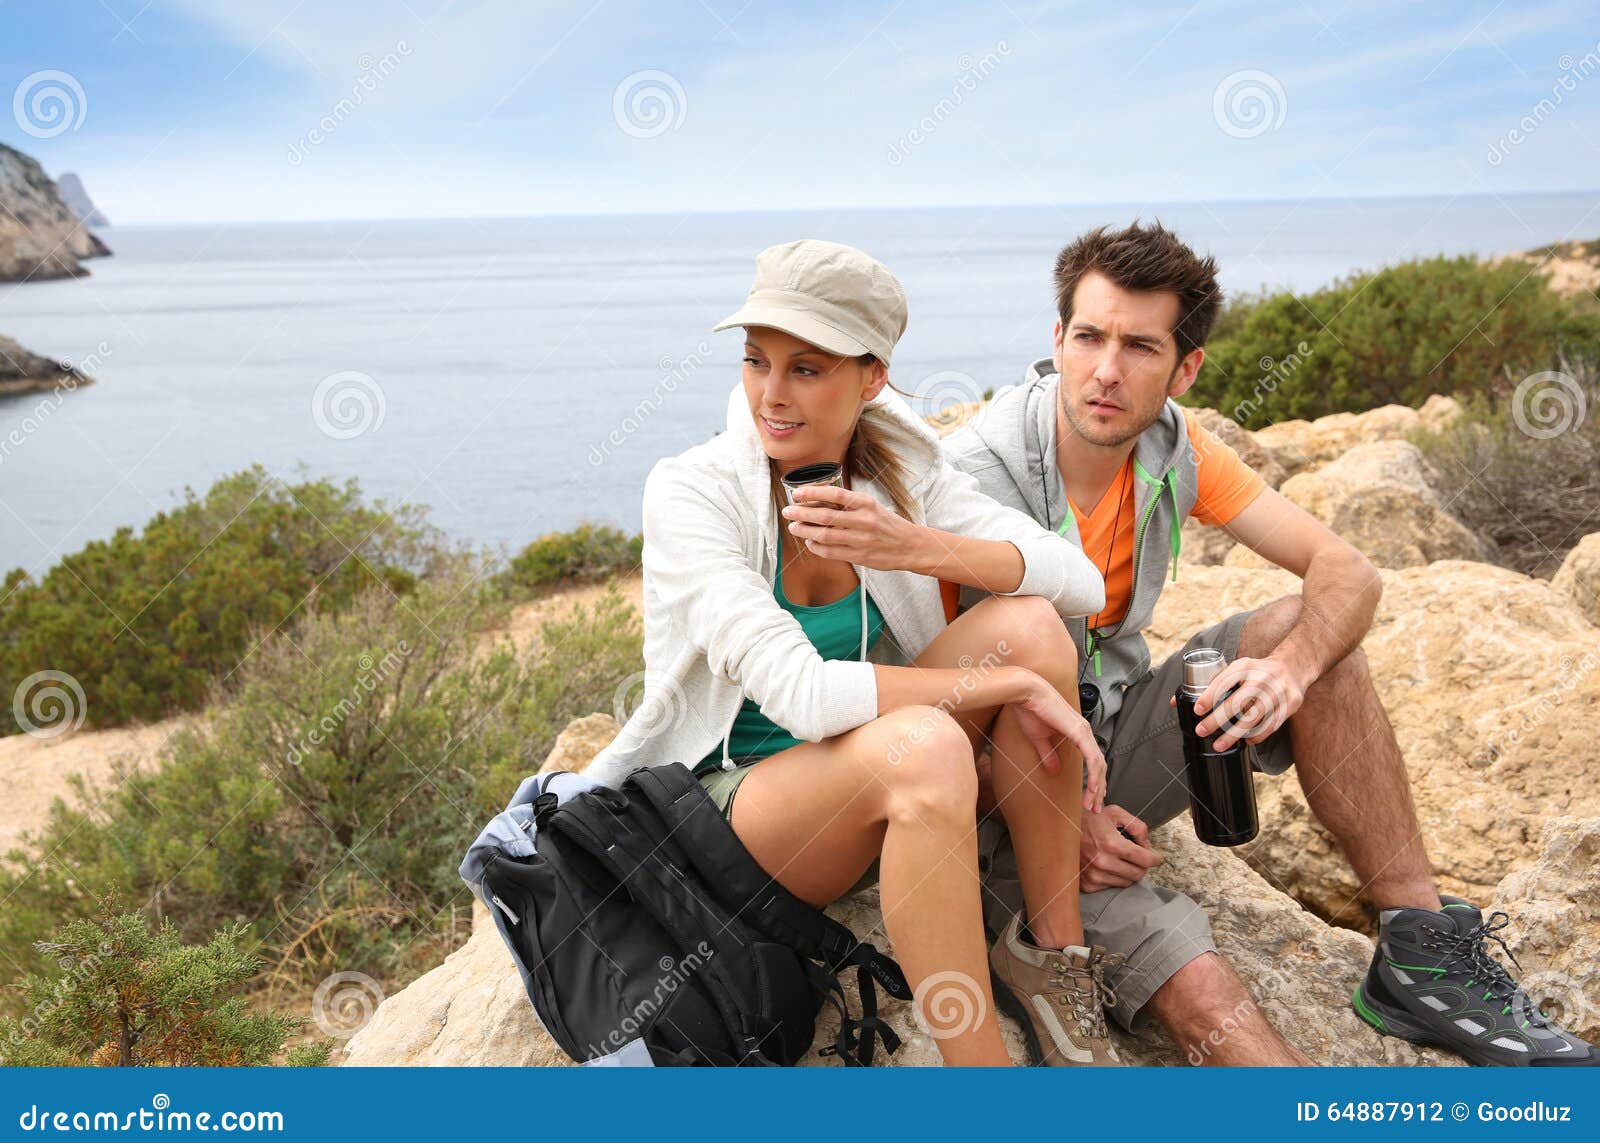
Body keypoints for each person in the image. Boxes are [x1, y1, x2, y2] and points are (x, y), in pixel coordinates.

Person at [943, 220, 1599, 1067]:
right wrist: (1063, 821)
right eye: (1089, 336)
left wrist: (1288, 674)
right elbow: (931, 714)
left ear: (1185, 369)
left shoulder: (1169, 447)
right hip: (1001, 799)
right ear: (1057, 338)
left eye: (1140, 347)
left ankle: (1420, 949)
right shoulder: (969, 481)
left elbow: (1347, 570)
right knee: (1209, 990)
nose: (1107, 371)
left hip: (1107, 737)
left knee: (1308, 631)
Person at [583, 238, 1123, 1066]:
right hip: (749, 814)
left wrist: (914, 545)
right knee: (933, 735)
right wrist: (1011, 684)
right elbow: (802, 696)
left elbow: (1075, 578)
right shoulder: (693, 491)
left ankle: (1052, 951)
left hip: (896, 769)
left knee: (1037, 626)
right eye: (756, 359)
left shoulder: (894, 456)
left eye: (807, 368)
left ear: (871, 378)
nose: (772, 393)